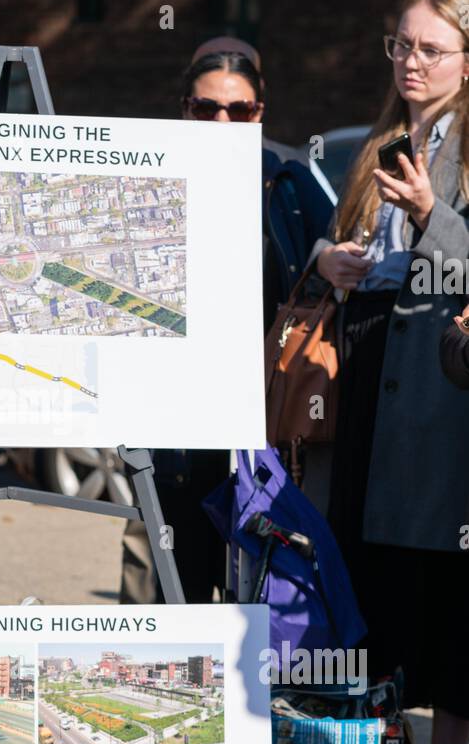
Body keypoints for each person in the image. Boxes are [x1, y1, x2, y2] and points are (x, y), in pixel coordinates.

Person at [309, 0, 469, 744]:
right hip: (374, 396)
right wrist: (335, 263)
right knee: (384, 603)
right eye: (400, 46)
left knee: (448, 612)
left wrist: (433, 216)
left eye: (429, 49)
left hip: (446, 410)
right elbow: (368, 258)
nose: (409, 62)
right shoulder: (382, 140)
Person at [120, 47, 333, 604]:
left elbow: (326, 275)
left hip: (256, 425)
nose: (222, 122)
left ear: (259, 113)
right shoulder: (148, 180)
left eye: (238, 111)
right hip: (170, 421)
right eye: (206, 107)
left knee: (256, 588)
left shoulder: (289, 184)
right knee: (163, 582)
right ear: (184, 109)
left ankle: (244, 691)